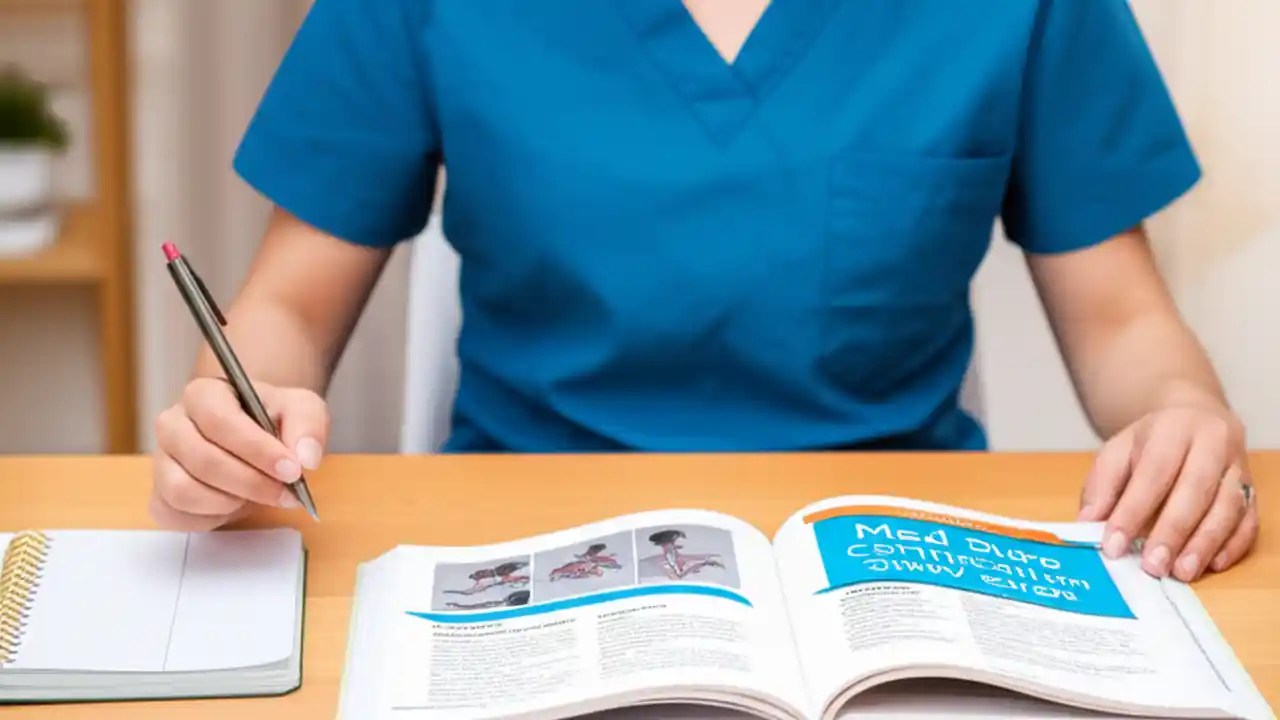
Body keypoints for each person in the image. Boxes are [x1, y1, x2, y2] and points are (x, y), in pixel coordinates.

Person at [150, 0, 1258, 585]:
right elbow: (285, 313)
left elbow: (1126, 326)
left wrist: (1181, 416)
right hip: (522, 558)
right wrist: (230, 420)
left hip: (890, 569)